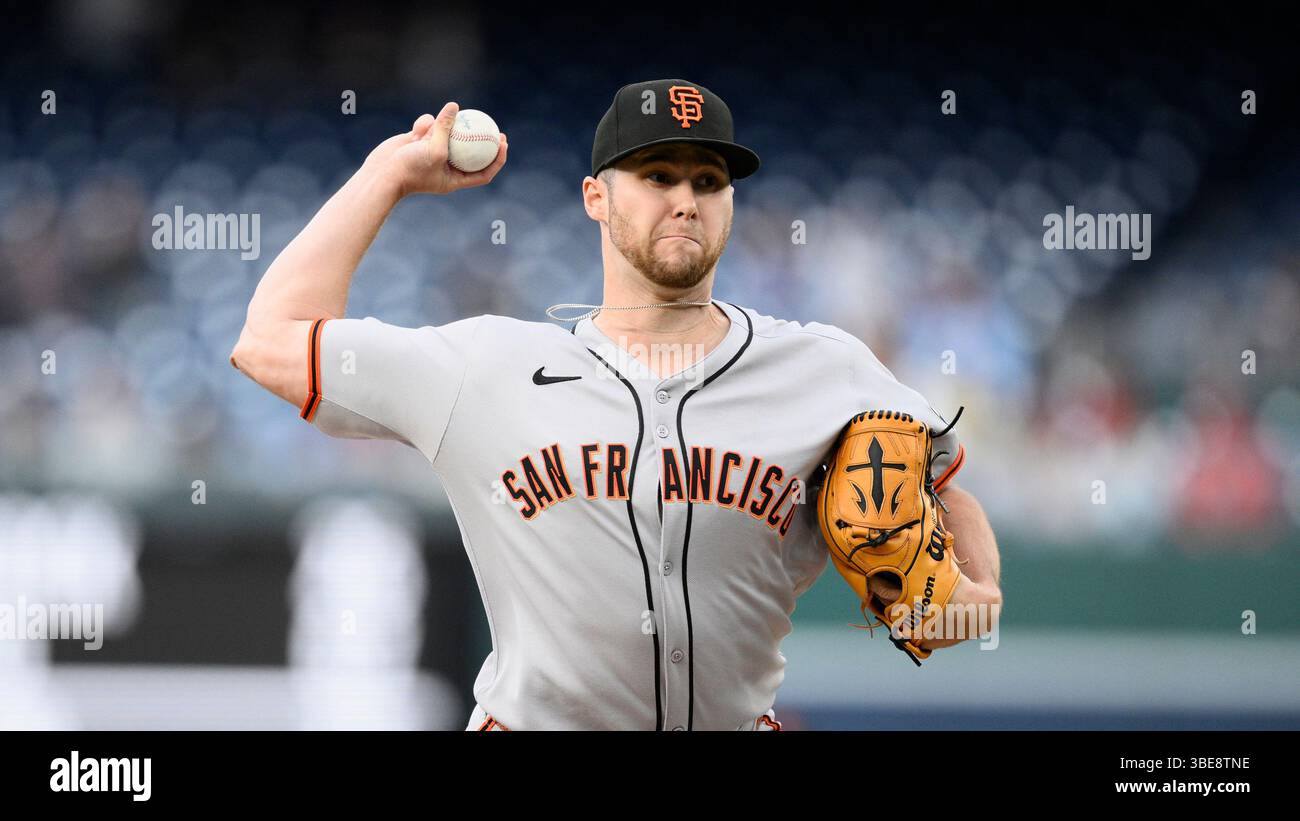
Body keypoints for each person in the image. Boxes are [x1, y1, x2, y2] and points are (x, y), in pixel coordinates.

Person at [230, 79, 1002, 731]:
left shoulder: (822, 368)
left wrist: (976, 600)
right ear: (596, 198)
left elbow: (943, 482)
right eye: (658, 175)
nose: (687, 200)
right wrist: (385, 176)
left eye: (709, 181)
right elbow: (269, 341)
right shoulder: (486, 367)